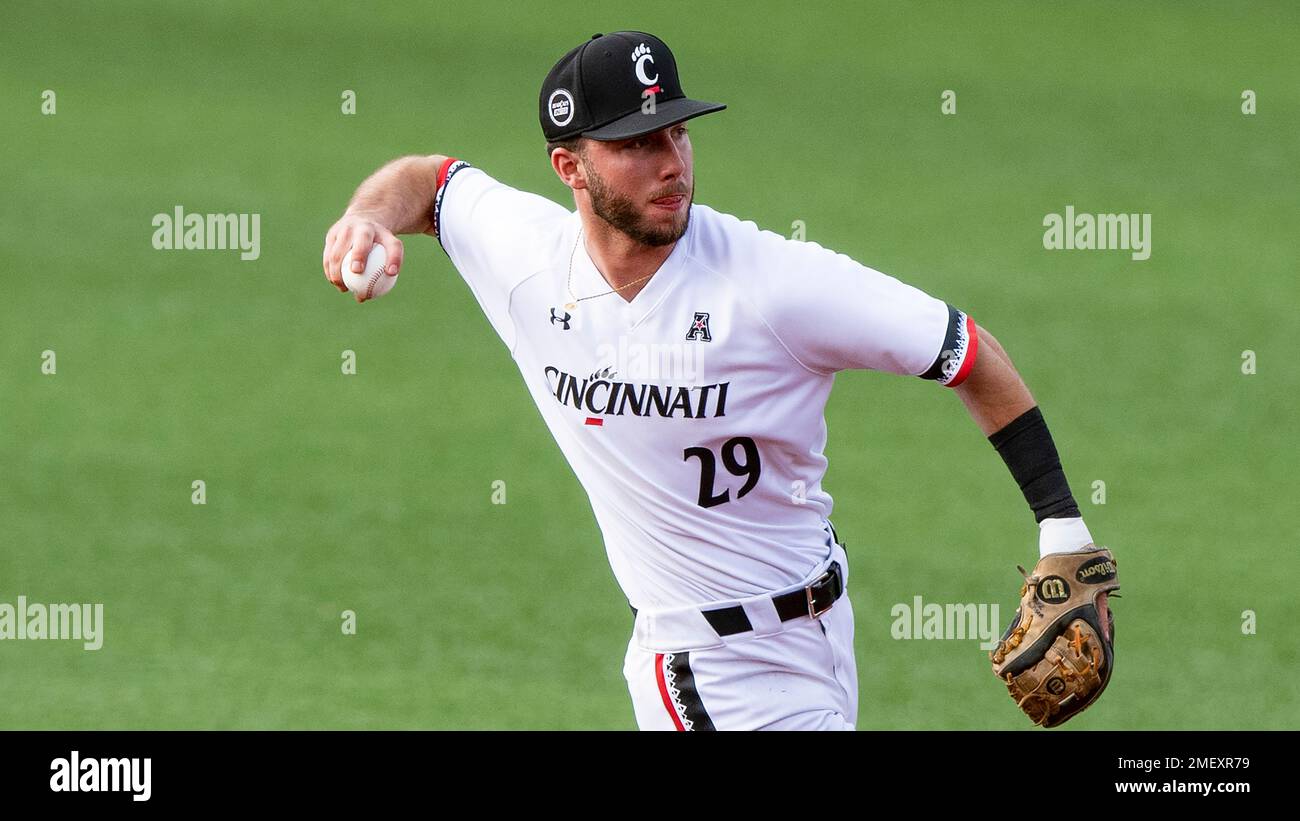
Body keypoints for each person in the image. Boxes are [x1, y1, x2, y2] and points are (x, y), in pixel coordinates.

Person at [321, 31, 1114, 730]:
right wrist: (367, 217)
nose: (670, 162)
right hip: (704, 673)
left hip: (823, 635)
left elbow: (967, 353)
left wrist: (1063, 529)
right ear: (569, 166)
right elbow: (430, 180)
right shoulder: (530, 261)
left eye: (676, 132)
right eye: (636, 144)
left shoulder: (774, 285)